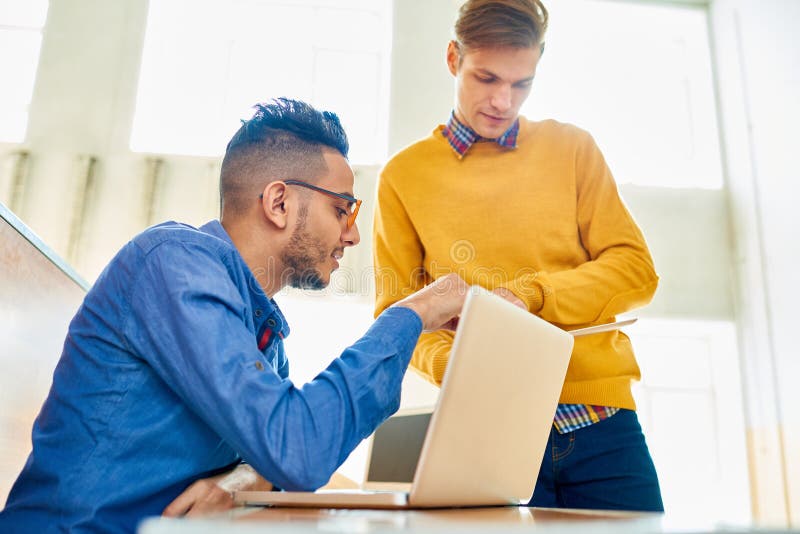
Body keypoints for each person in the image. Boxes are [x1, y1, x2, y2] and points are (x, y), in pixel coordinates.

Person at [0, 98, 469, 532]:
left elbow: (277, 449)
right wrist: (411, 314)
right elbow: (297, 447)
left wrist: (246, 479)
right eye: (342, 209)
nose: (353, 236)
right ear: (279, 202)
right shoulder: (172, 264)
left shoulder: (265, 336)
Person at [373, 0, 664, 512]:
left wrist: (526, 298)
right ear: (451, 59)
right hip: (484, 435)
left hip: (601, 428)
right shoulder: (402, 176)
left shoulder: (574, 149)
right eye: (486, 78)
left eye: (521, 83)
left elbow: (635, 268)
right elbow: (393, 316)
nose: (503, 100)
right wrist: (463, 364)